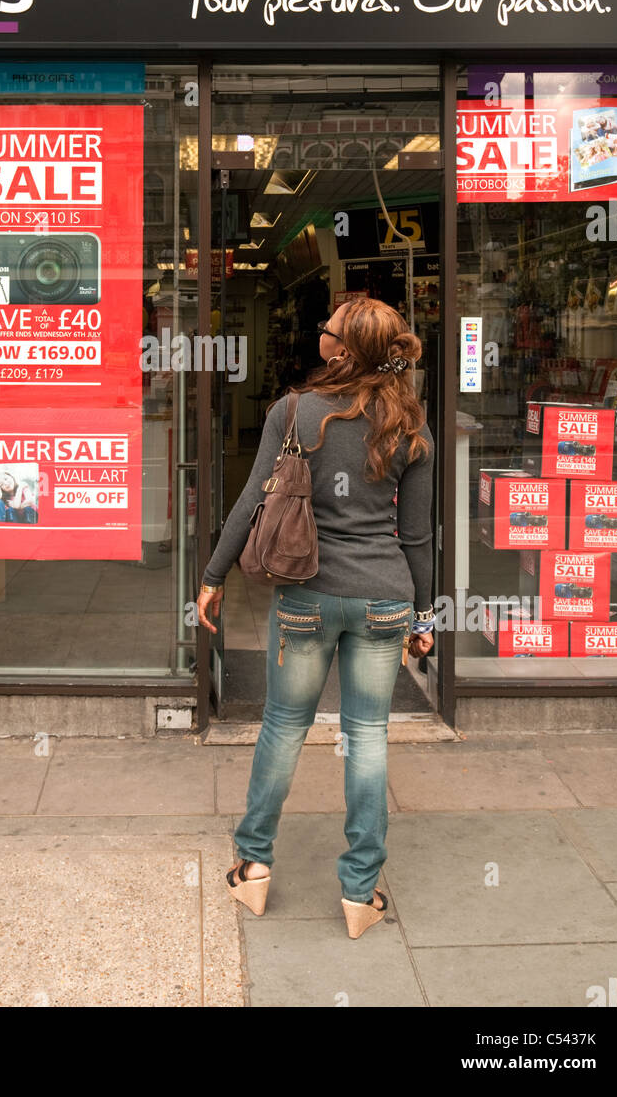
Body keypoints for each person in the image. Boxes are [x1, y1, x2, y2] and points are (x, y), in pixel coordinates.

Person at [197, 297, 435, 938]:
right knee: (368, 737)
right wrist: (425, 614)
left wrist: (214, 575)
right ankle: (360, 893)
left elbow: (253, 498)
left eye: (329, 327)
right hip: (385, 597)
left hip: (305, 596)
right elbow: (417, 539)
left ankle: (252, 869)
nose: (321, 332)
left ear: (342, 349)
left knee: (282, 726)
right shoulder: (410, 428)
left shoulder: (292, 412)